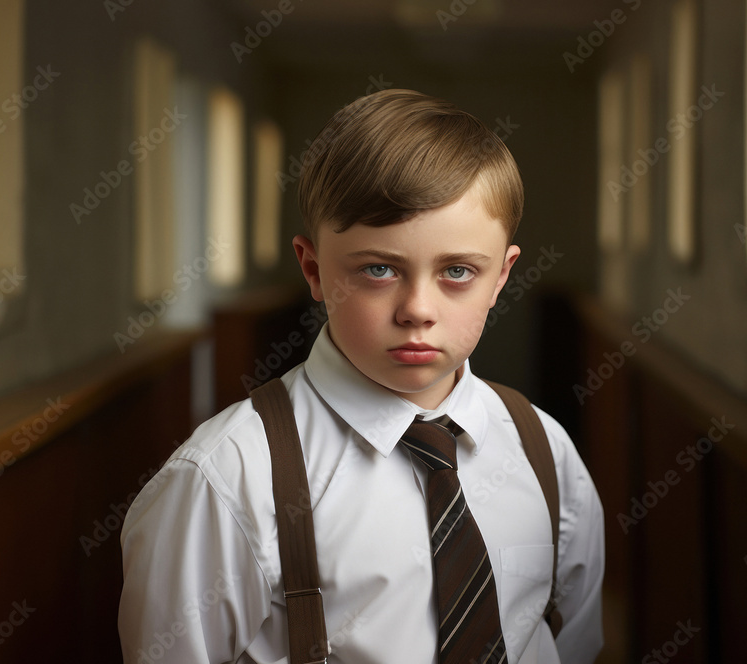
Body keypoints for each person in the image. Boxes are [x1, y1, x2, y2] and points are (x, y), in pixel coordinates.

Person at [118, 89, 604, 664]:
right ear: (314, 269)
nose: (417, 309)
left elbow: (570, 638)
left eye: (457, 271)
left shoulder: (544, 450)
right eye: (378, 269)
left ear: (501, 276)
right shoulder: (228, 478)